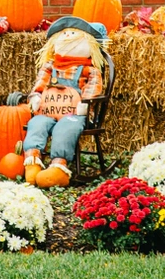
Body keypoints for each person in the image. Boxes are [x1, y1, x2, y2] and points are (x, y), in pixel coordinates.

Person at [18, 15, 108, 188]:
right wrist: (35, 97)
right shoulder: (50, 67)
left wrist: (86, 102)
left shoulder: (89, 70)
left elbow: (94, 88)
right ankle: (33, 162)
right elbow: (39, 86)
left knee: (65, 127)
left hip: (74, 113)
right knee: (36, 123)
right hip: (48, 110)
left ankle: (59, 167)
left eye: (73, 33)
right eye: (64, 34)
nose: (67, 36)